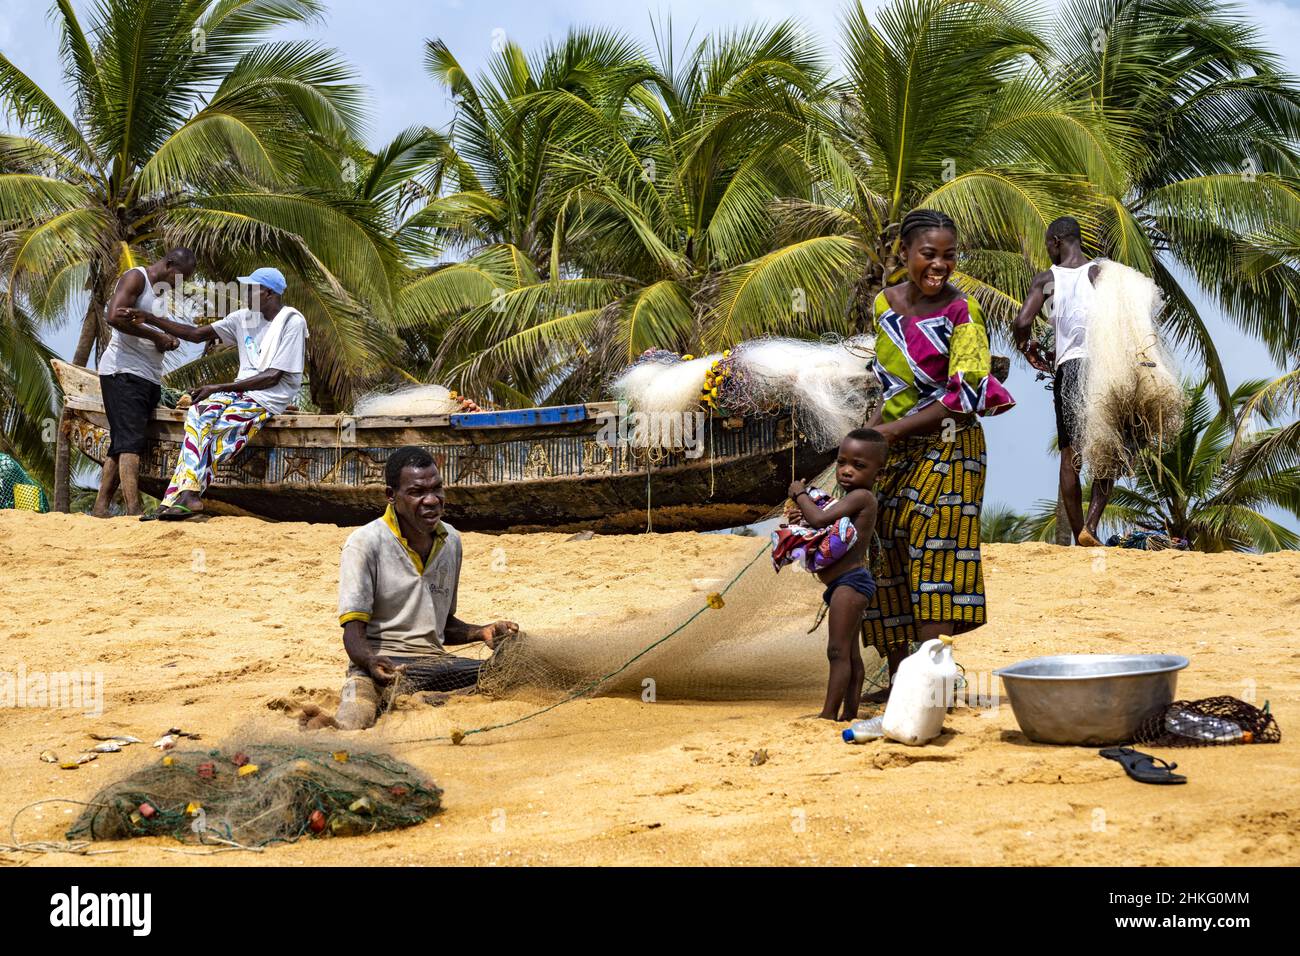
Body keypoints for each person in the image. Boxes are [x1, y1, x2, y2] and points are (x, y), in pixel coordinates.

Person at [863, 209, 1014, 693]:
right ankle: (895, 676)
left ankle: (928, 679)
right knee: (884, 543)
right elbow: (890, 388)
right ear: (904, 253)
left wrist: (893, 432)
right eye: (929, 254)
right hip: (898, 443)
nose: (940, 266)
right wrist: (870, 437)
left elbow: (965, 396)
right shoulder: (883, 306)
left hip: (951, 445)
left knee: (936, 550)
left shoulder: (963, 312)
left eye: (949, 256)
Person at [324, 446, 518, 731]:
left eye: (437, 488)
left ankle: (433, 697)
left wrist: (482, 631)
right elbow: (353, 632)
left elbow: (442, 625)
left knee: (513, 670)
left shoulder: (451, 540)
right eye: (417, 492)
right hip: (383, 667)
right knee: (353, 719)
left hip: (436, 665)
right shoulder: (365, 543)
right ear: (391, 496)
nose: (432, 500)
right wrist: (370, 660)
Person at [138, 267, 307, 520]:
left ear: (269, 293)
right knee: (197, 415)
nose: (246, 294)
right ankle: (184, 496)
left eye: (252, 289)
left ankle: (182, 498)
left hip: (269, 396)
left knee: (219, 430)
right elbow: (195, 335)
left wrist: (217, 388)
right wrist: (149, 319)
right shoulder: (243, 317)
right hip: (241, 391)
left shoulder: (292, 322)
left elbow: (273, 376)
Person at [1012, 216, 1113, 546]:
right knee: (1109, 450)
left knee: (1071, 456)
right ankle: (1092, 527)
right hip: (1104, 367)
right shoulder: (1101, 273)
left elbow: (1022, 320)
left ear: (1056, 241)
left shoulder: (1047, 279)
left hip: (1070, 370)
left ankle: (1079, 530)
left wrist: (1026, 348)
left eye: (1047, 246)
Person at [777, 430, 886, 721]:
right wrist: (803, 515)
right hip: (845, 585)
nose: (847, 471)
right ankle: (848, 714)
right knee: (850, 655)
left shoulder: (862, 497)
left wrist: (799, 494)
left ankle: (828, 715)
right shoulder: (848, 499)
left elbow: (820, 519)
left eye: (859, 466)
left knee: (837, 652)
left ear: (878, 474)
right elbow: (823, 528)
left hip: (849, 585)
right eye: (842, 463)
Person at [93, 249, 197, 517]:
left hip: (147, 374)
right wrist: (156, 337)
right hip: (123, 372)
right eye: (180, 277)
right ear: (169, 264)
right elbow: (113, 316)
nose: (180, 283)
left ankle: (101, 507)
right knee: (130, 444)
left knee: (121, 441)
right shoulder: (136, 278)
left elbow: (148, 327)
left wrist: (166, 340)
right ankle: (133, 510)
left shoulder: (160, 293)